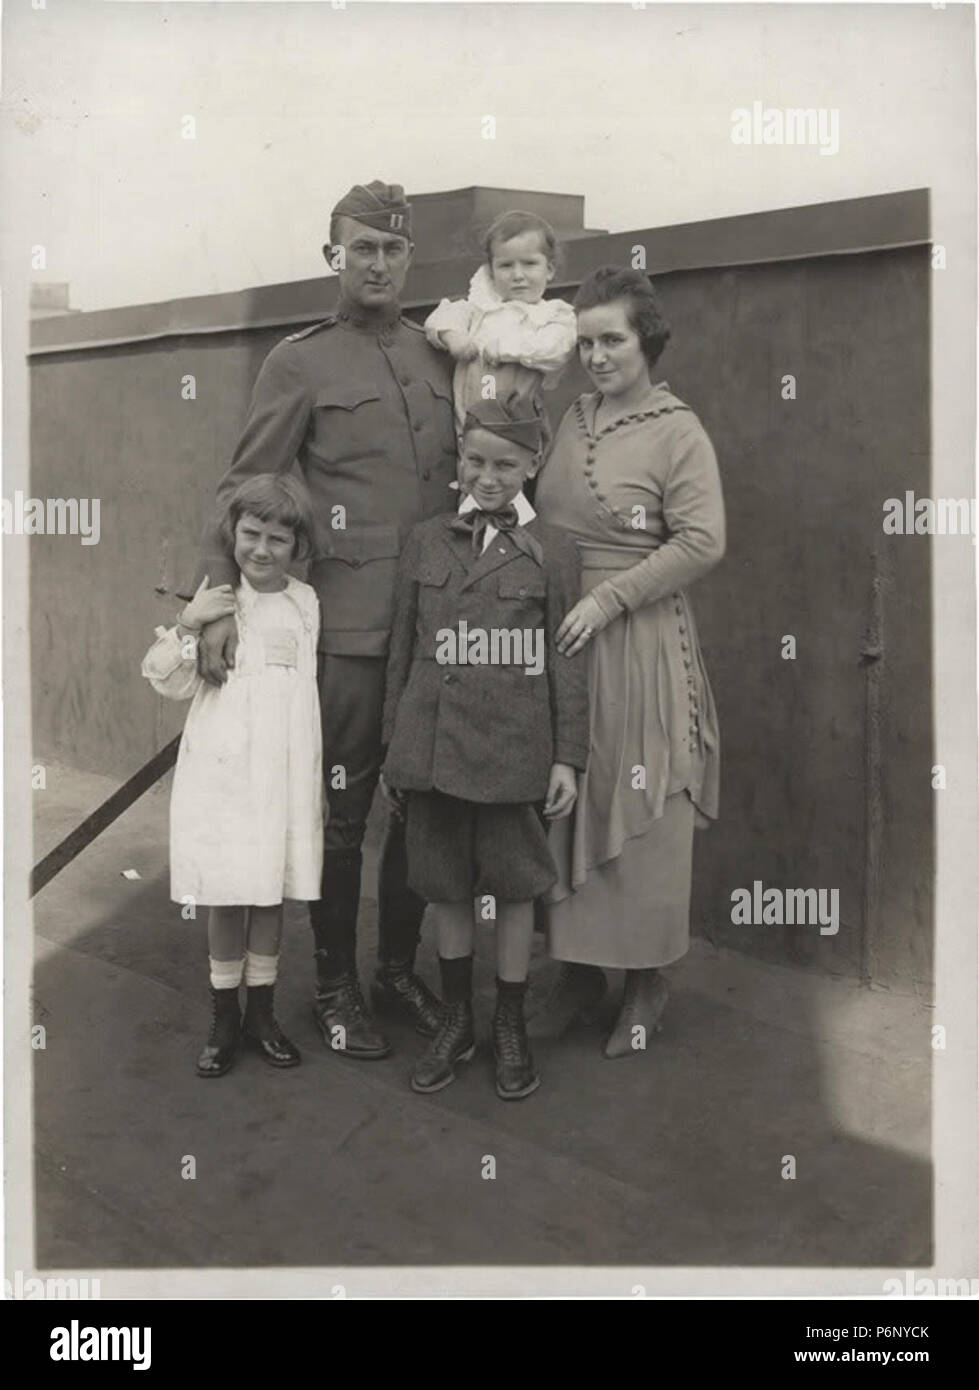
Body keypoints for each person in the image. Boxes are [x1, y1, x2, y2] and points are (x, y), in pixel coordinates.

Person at [188, 181, 460, 1060]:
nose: (377, 265)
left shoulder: (440, 354)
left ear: (409, 257)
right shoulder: (298, 362)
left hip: (437, 628)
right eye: (361, 249)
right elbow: (245, 485)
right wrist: (218, 602)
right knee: (343, 814)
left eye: (392, 249)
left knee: (422, 810)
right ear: (332, 256)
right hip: (347, 631)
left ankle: (395, 973)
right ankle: (336, 987)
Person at [533, 266, 725, 1056]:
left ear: (646, 341)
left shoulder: (678, 431)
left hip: (638, 640)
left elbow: (702, 541)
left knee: (640, 799)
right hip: (565, 641)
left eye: (611, 339)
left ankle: (646, 982)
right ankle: (578, 973)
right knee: (567, 799)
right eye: (585, 343)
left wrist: (610, 599)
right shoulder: (570, 416)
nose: (597, 357)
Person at [380, 393, 589, 1099]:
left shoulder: (555, 549)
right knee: (445, 885)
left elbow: (566, 660)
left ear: (532, 464)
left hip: (514, 749)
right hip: (433, 747)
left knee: (515, 886)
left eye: (504, 464)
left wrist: (567, 757)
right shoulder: (426, 539)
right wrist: (395, 747)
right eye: (475, 461)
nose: (487, 477)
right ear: (460, 460)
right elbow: (402, 649)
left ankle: (508, 1023)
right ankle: (456, 1020)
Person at [142, 474, 322, 1078]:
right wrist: (189, 622)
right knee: (225, 893)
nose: (262, 549)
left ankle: (262, 1014)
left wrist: (312, 785)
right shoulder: (215, 601)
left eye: (278, 539)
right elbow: (165, 679)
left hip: (280, 779)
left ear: (298, 546)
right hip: (221, 780)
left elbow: (305, 701)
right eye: (251, 534)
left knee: (268, 895)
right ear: (232, 534)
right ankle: (224, 1018)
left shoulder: (305, 604)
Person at [424, 210, 577, 442]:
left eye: (529, 264)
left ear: (549, 270)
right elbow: (441, 317)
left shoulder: (553, 315)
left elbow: (556, 348)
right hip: (469, 420)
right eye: (506, 265)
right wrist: (453, 337)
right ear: (491, 272)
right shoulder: (480, 307)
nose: (518, 275)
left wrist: (505, 348)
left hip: (516, 425)